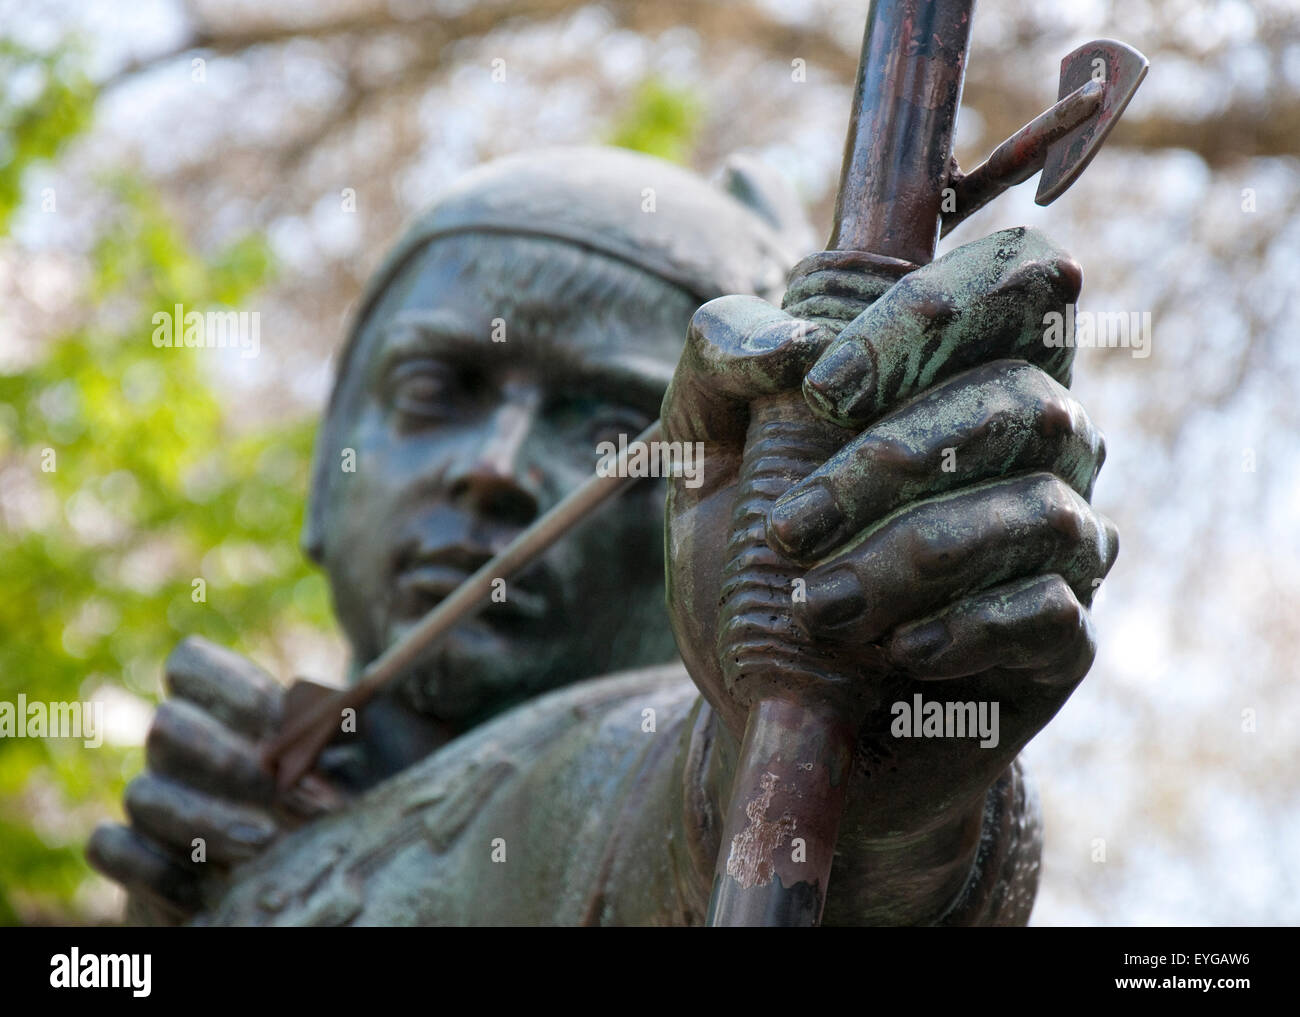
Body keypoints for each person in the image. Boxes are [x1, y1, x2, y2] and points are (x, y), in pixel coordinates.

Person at [88, 147, 1115, 925]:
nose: (493, 463)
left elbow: (649, 819)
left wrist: (844, 766)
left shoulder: (646, 772)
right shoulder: (214, 831)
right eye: (439, 387)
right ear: (324, 473)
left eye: (615, 424)